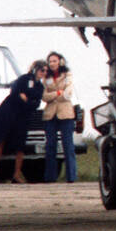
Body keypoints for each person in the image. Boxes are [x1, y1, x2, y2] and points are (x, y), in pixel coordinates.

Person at [0, 60, 47, 184]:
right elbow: (14, 93)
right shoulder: (23, 79)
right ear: (36, 69)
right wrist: (26, 100)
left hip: (22, 117)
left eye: (46, 71)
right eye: (42, 70)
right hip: (8, 113)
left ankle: (17, 174)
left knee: (20, 147)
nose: (44, 73)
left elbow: (36, 104)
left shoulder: (40, 87)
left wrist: (26, 100)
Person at [41, 51, 77, 183]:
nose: (52, 64)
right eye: (50, 61)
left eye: (54, 61)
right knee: (50, 146)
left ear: (60, 61)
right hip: (50, 114)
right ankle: (50, 177)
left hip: (65, 113)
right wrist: (57, 93)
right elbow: (44, 96)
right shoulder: (46, 78)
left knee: (68, 145)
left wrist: (55, 95)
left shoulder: (67, 74)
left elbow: (68, 94)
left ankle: (71, 177)